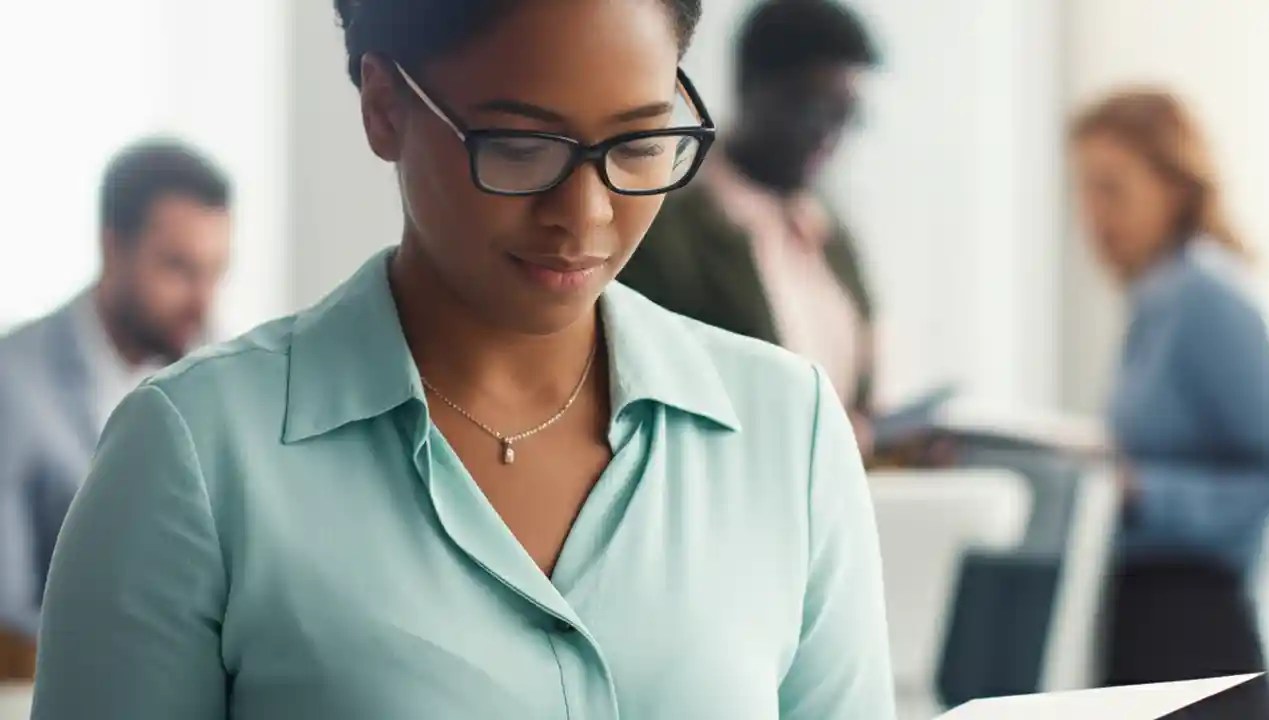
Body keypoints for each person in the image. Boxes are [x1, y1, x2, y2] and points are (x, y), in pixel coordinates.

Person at [32, 1, 895, 718]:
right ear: (384, 108)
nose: (585, 217)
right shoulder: (196, 454)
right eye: (522, 147)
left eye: (638, 144)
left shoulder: (789, 431)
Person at [1071, 90, 1269, 719]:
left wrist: (1144, 493)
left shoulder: (1206, 298)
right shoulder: (1152, 301)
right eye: (1083, 191)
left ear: (1175, 187)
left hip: (1195, 628)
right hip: (1141, 620)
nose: (1093, 215)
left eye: (1112, 189)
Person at [0, 138, 231, 658]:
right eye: (178, 268)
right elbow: (6, 624)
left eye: (216, 272)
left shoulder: (220, 381)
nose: (203, 302)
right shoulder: (12, 384)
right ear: (112, 247)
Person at [620, 0, 882, 451]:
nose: (828, 134)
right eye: (811, 108)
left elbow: (860, 389)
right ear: (749, 90)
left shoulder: (829, 235)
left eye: (844, 113)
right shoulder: (669, 231)